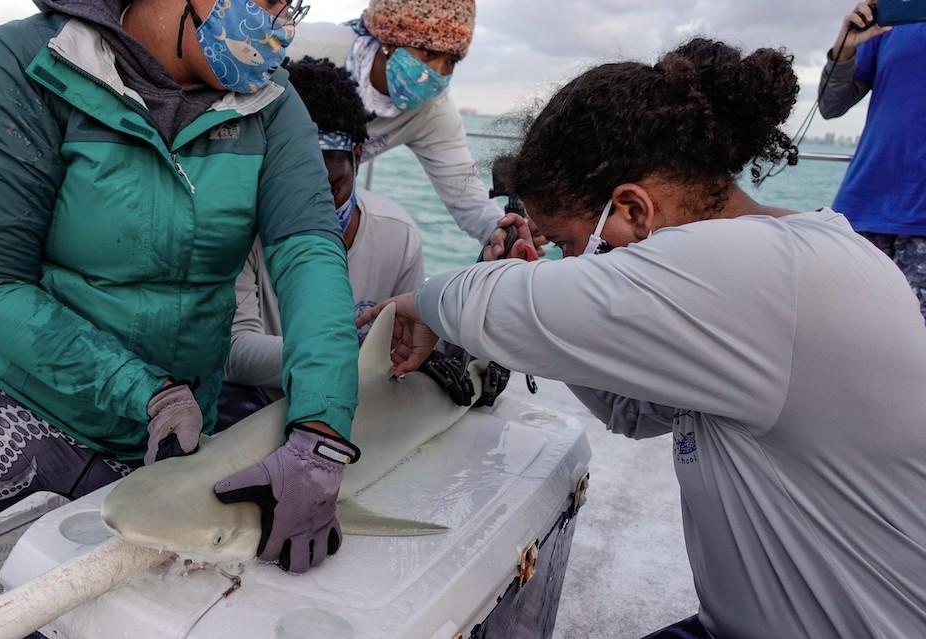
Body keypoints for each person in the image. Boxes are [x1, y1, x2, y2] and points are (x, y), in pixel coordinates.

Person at [0, 0, 363, 635]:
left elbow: (310, 250)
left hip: (178, 438)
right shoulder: (25, 66)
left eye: (292, 3)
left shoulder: (271, 100)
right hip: (17, 398)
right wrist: (141, 391)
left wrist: (321, 431)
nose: (278, 18)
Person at [359, 38, 926, 639]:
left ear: (632, 209)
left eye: (571, 245)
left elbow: (494, 302)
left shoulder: (753, 268)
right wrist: (556, 314)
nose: (570, 263)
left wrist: (418, 301)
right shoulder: (772, 262)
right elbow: (635, 412)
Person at [219, 56, 487, 425]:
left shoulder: (398, 235)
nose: (314, 205)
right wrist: (345, 351)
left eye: (332, 186)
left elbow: (407, 340)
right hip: (261, 403)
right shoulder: (243, 234)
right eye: (294, 190)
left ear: (357, 158)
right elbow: (235, 353)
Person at [284, 0, 548, 252]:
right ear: (389, 40)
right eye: (430, 53)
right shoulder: (300, 45)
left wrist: (503, 231)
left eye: (451, 61)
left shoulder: (432, 109)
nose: (439, 73)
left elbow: (466, 195)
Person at [819, 1, 926, 319]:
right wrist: (845, 48)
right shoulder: (897, 18)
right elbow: (830, 105)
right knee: (844, 336)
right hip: (863, 210)